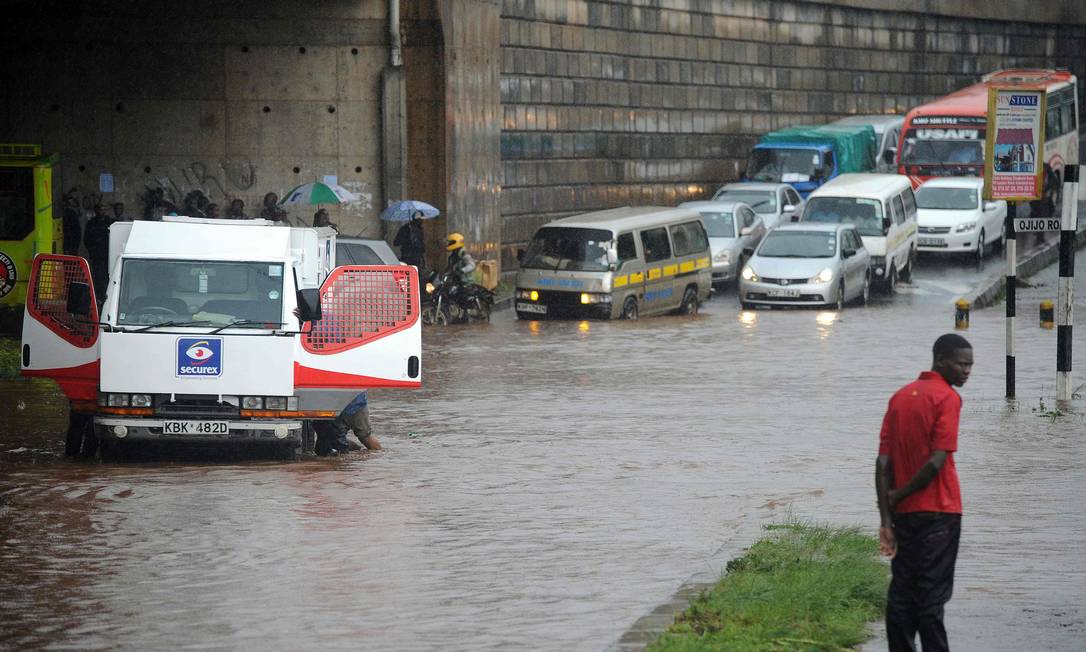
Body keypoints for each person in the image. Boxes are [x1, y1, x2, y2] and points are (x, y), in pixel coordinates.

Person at [876, 333, 973, 652]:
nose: (967, 371)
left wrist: (887, 517)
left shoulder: (900, 397)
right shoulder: (947, 398)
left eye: (970, 365)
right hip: (940, 513)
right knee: (932, 597)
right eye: (961, 364)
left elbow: (882, 463)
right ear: (941, 360)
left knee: (902, 592)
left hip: (905, 516)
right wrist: (900, 494)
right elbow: (936, 461)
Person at [313, 392, 381, 456]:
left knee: (329, 441)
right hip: (353, 403)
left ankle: (377, 454)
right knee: (365, 437)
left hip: (348, 405)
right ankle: (377, 455)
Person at [83, 204, 113, 300]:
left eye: (104, 209)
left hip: (109, 256)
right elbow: (87, 240)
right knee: (99, 278)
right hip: (98, 256)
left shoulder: (110, 222)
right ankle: (100, 298)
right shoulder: (92, 223)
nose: (102, 211)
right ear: (96, 211)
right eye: (100, 209)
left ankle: (110, 297)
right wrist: (93, 251)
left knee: (110, 277)